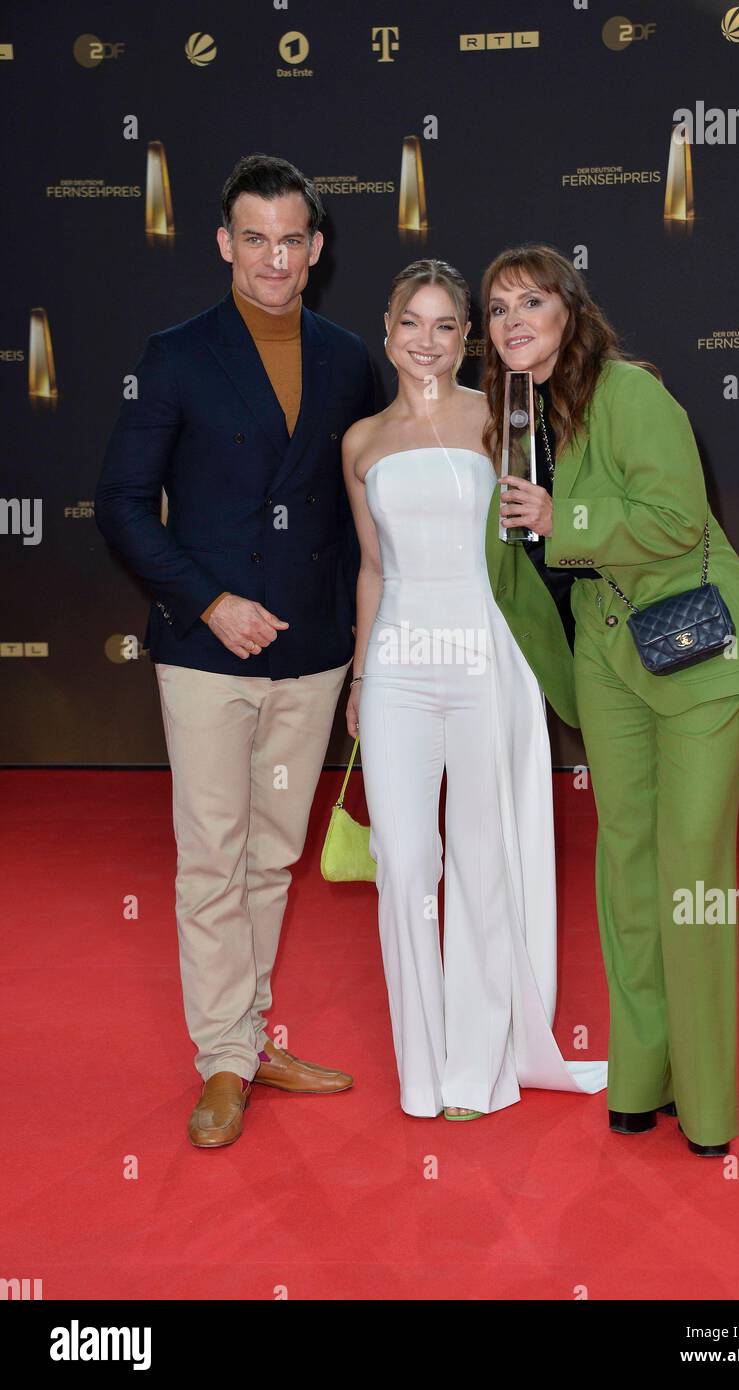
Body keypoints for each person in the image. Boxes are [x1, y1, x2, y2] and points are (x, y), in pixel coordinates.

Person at [95, 154, 376, 1148]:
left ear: (315, 247)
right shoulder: (174, 354)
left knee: (270, 857)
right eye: (252, 238)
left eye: (290, 238)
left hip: (312, 657)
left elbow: (370, 516)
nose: (272, 257)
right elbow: (122, 505)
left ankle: (250, 1038)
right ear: (224, 242)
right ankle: (221, 1054)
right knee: (212, 860)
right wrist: (208, 600)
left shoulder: (350, 361)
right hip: (205, 654)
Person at [483, 244, 739, 1156]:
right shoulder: (515, 420)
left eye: (532, 300)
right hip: (607, 655)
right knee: (626, 867)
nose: (513, 320)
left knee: (689, 872)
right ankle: (639, 1076)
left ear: (571, 312)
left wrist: (557, 519)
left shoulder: (627, 392)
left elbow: (674, 519)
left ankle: (707, 1103)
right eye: (496, 309)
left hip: (691, 642)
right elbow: (515, 567)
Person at [341, 258, 607, 1120]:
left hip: (486, 655)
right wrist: (357, 674)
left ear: (468, 338)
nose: (426, 340)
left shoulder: (503, 418)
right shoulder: (361, 441)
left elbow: (540, 535)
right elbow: (373, 567)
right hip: (396, 666)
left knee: (486, 863)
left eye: (446, 324)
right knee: (407, 864)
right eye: (409, 322)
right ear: (386, 330)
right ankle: (423, 1071)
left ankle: (480, 1067)